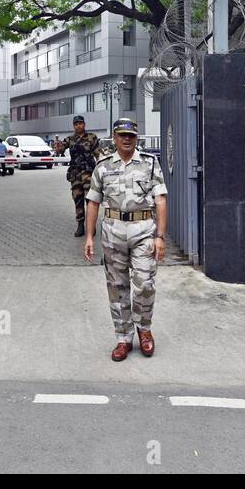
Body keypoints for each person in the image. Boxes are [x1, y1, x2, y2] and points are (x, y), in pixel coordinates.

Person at [84, 118, 168, 362]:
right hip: (113, 232)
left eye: (131, 135)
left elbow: (161, 199)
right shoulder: (102, 166)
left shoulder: (150, 164)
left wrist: (160, 236)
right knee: (116, 285)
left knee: (144, 283)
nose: (127, 139)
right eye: (122, 135)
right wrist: (89, 236)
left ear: (137, 137)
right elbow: (93, 201)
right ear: (115, 137)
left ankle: (144, 329)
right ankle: (123, 337)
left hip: (143, 231)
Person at [52, 115, 102, 237]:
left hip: (88, 173)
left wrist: (102, 167)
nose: (78, 126)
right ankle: (80, 225)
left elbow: (98, 153)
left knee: (90, 199)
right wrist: (58, 148)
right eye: (76, 124)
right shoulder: (70, 139)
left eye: (80, 123)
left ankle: (91, 225)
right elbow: (60, 150)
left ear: (84, 124)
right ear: (74, 126)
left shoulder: (91, 137)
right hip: (75, 173)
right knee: (77, 199)